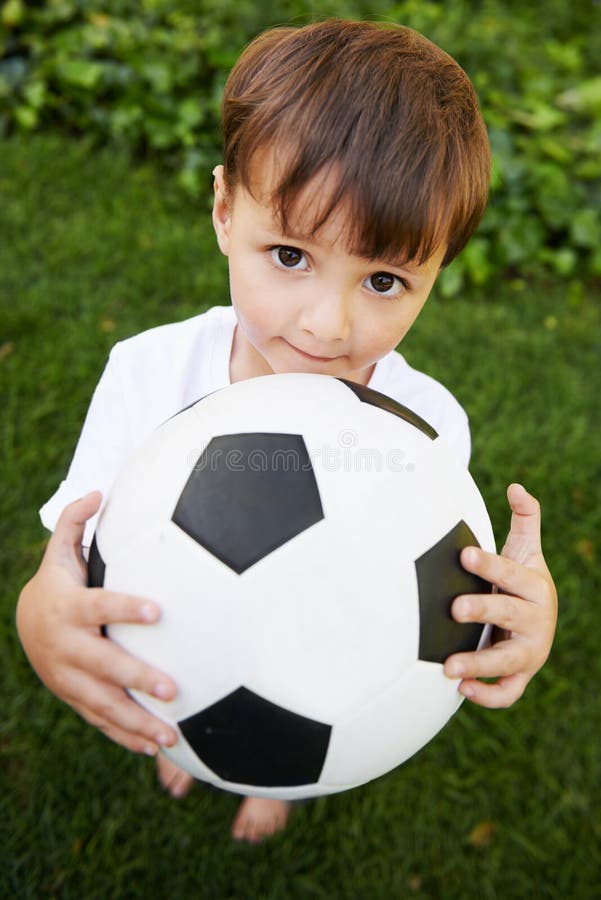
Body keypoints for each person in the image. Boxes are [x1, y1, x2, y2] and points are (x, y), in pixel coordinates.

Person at [16, 20, 557, 844]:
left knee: (306, 720)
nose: (327, 324)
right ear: (225, 212)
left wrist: (513, 623)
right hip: (174, 638)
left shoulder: (425, 429)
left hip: (326, 652)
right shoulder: (147, 373)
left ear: (435, 273)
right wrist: (38, 614)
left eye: (382, 279)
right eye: (290, 255)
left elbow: (444, 603)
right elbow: (70, 544)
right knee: (203, 693)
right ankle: (194, 723)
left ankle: (282, 783)